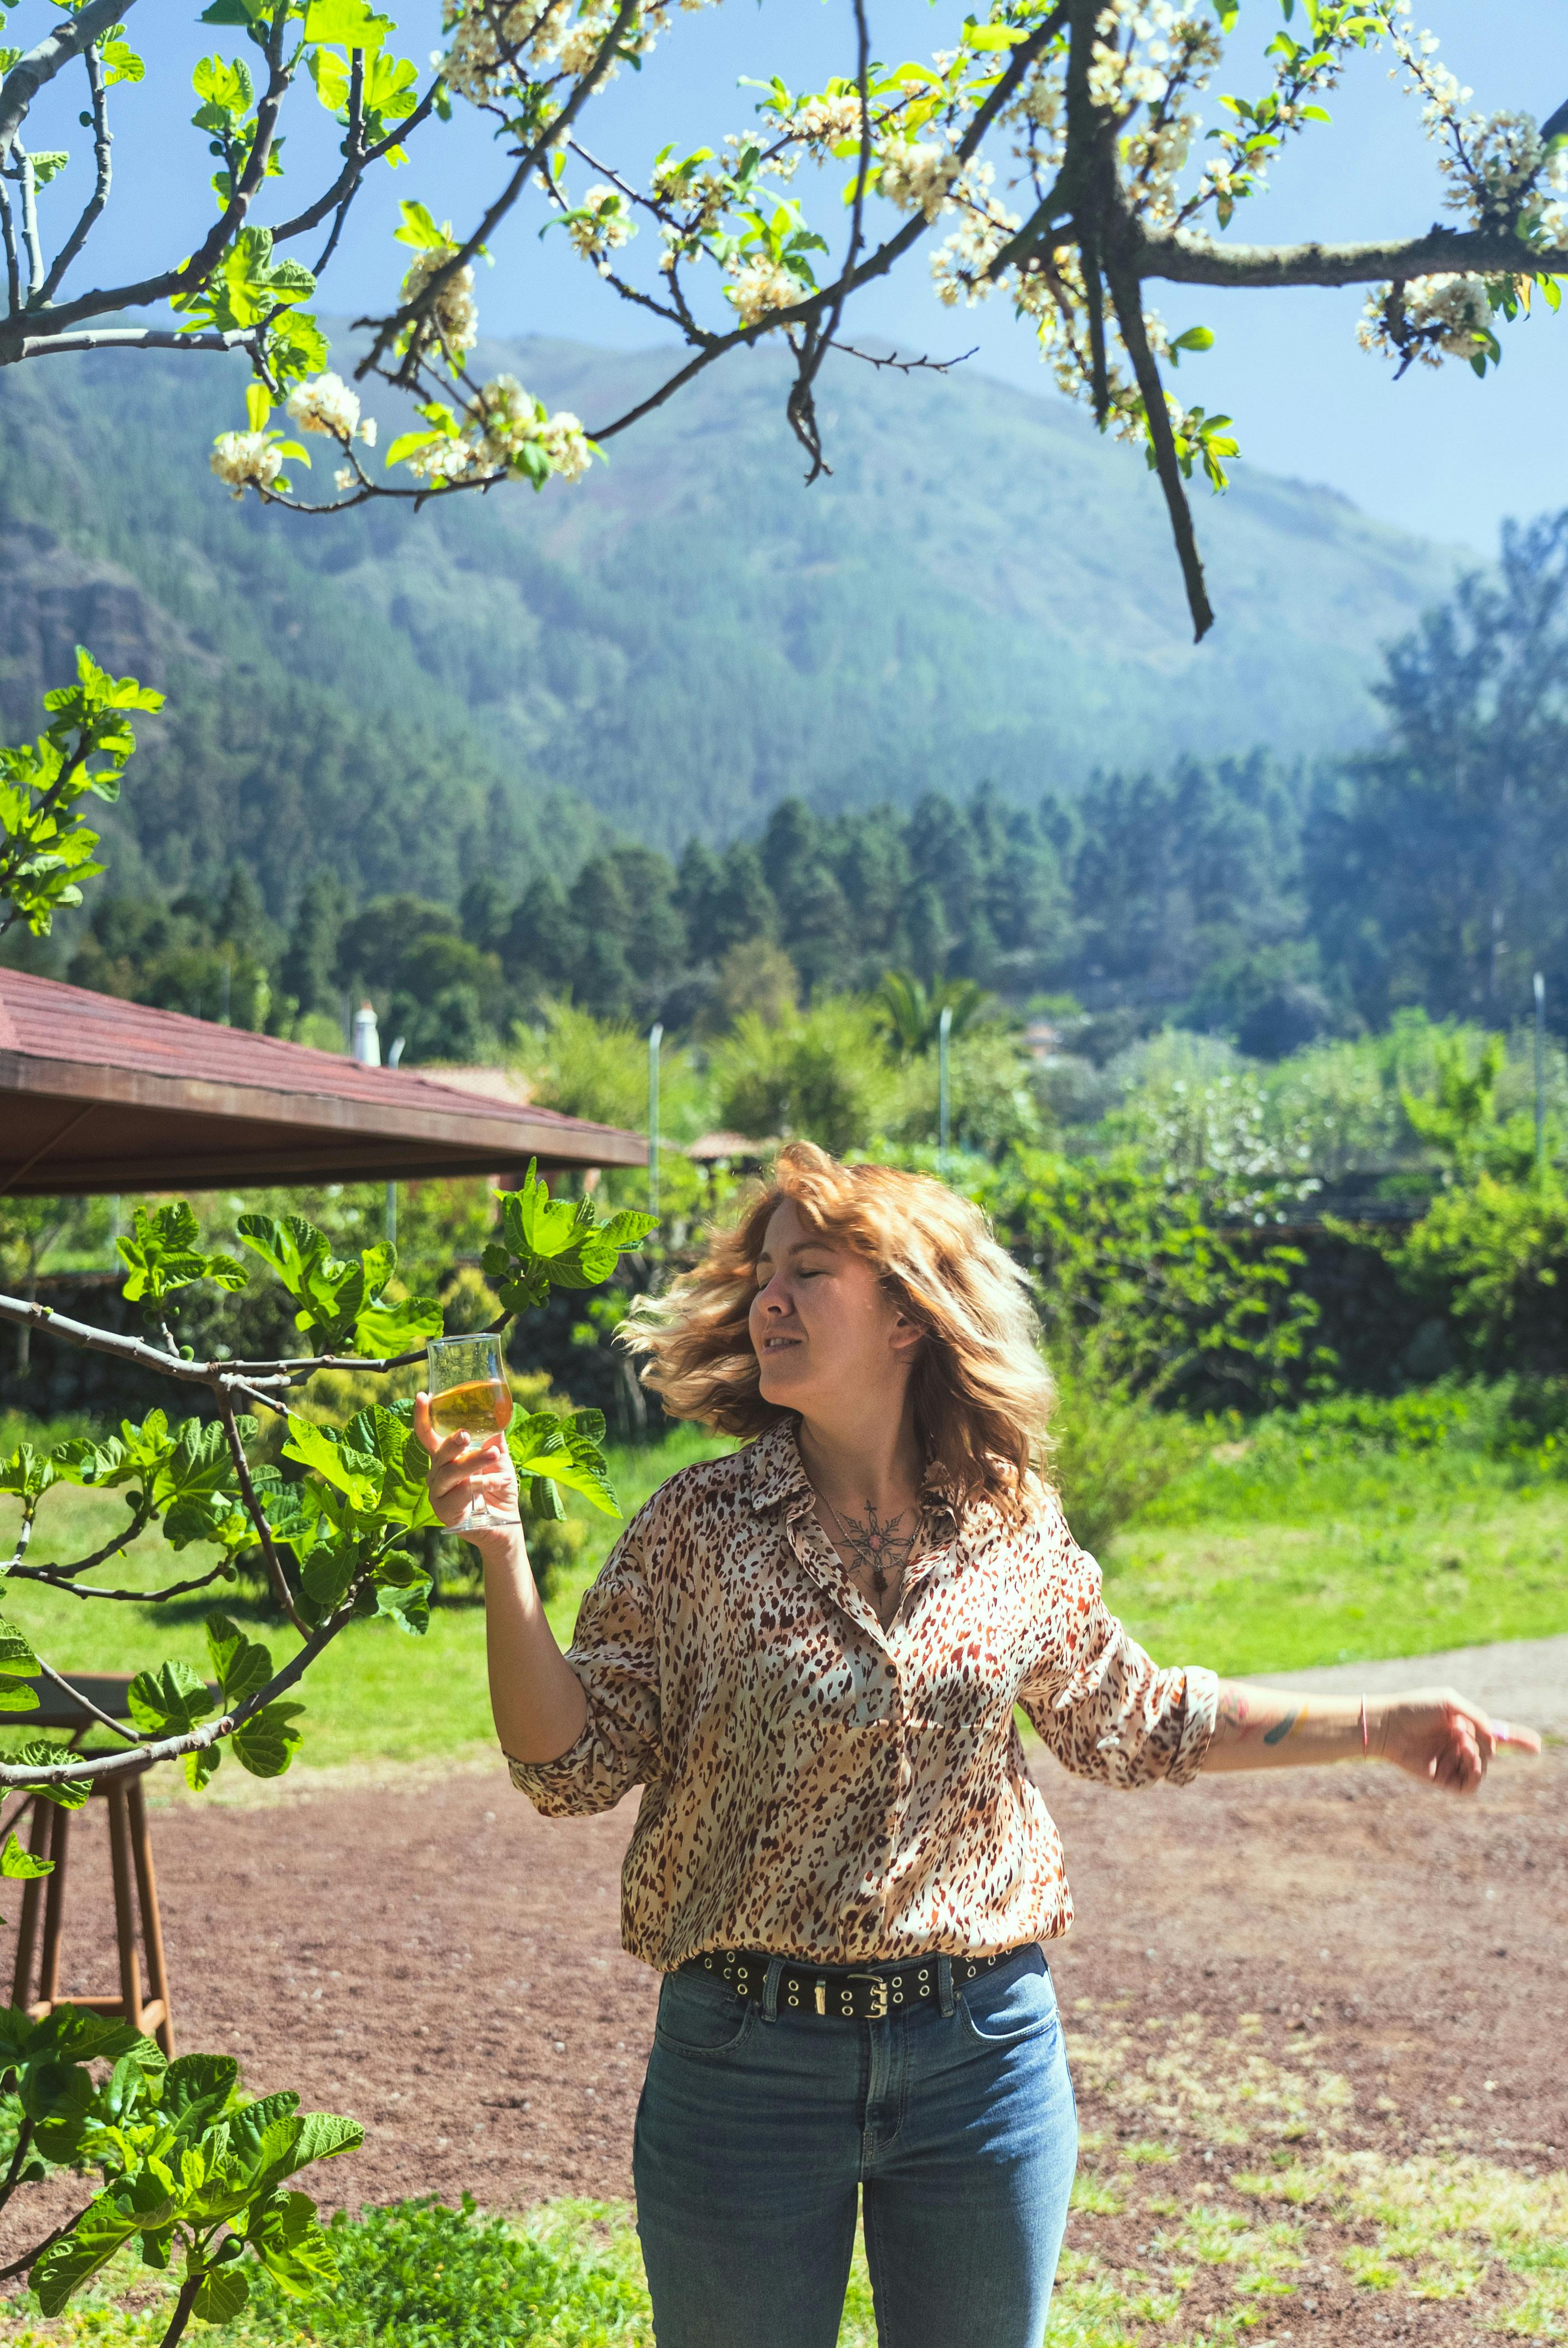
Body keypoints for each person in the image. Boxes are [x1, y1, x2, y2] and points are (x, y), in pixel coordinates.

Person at [413, 1144, 1540, 2348]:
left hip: (981, 2062)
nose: (768, 1299)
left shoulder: (1012, 1520)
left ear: (906, 1310)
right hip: (742, 2067)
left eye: (808, 1269)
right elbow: (569, 1763)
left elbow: (1139, 1716)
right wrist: (500, 1550)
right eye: (762, 1275)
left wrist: (1381, 1727)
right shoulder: (696, 1525)